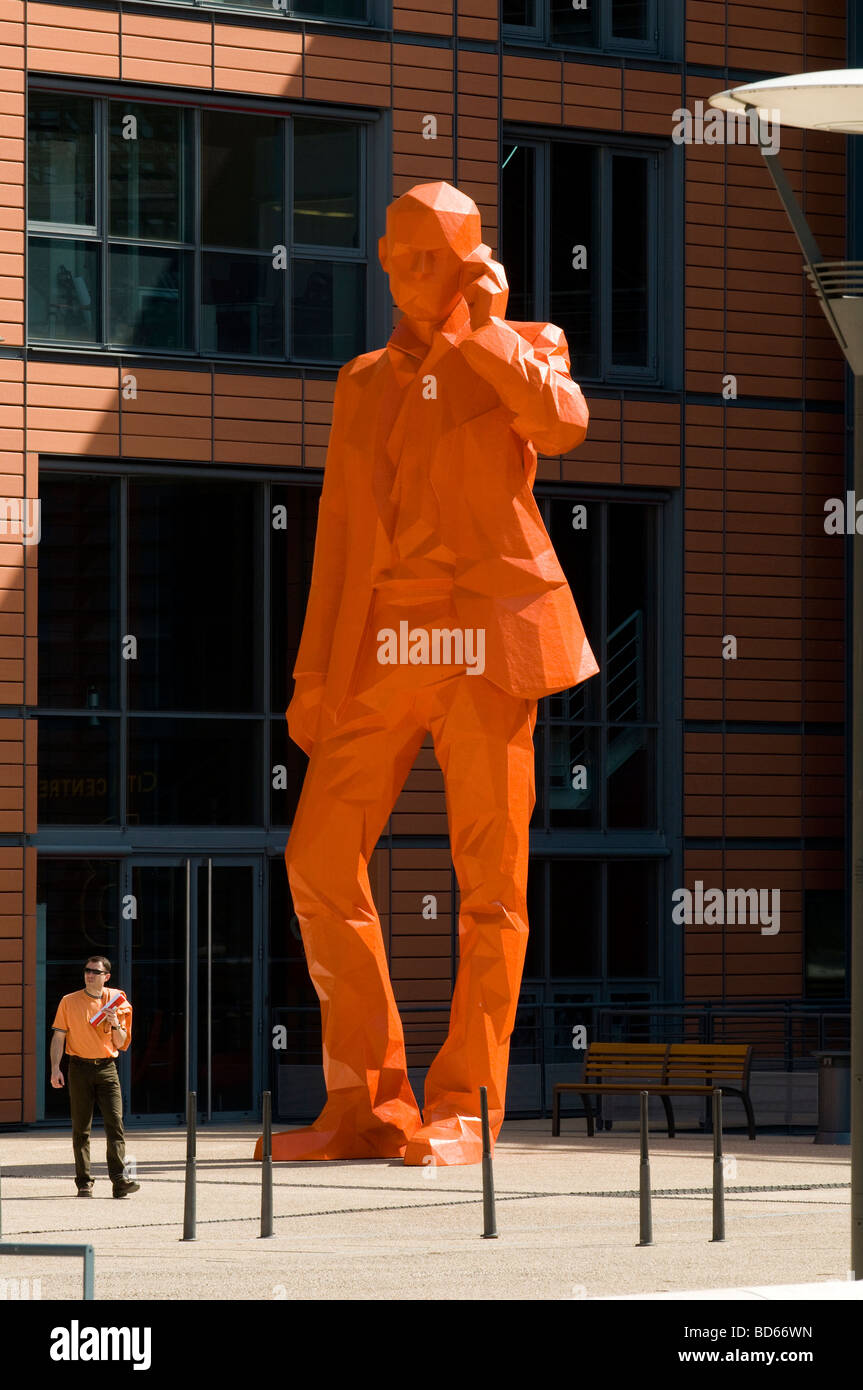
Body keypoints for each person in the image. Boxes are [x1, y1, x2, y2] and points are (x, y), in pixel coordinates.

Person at [261, 180, 598, 1167]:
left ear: (471, 261)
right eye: (397, 258)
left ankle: (464, 1104)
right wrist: (314, 673)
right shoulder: (360, 382)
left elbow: (565, 424)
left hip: (485, 638)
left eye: (432, 260)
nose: (411, 277)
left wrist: (488, 332)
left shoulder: (522, 345)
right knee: (318, 859)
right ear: (378, 256)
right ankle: (364, 1100)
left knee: (487, 882)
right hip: (382, 645)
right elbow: (335, 537)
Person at [50, 955, 140, 1198]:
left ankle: (119, 1181)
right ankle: (84, 1182)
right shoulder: (69, 1001)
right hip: (78, 1068)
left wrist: (115, 1024)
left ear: (106, 977)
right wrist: (55, 1068)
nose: (89, 975)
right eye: (87, 970)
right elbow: (59, 1037)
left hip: (107, 1068)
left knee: (115, 1124)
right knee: (81, 1128)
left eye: (95, 972)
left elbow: (121, 1044)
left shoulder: (116, 1000)